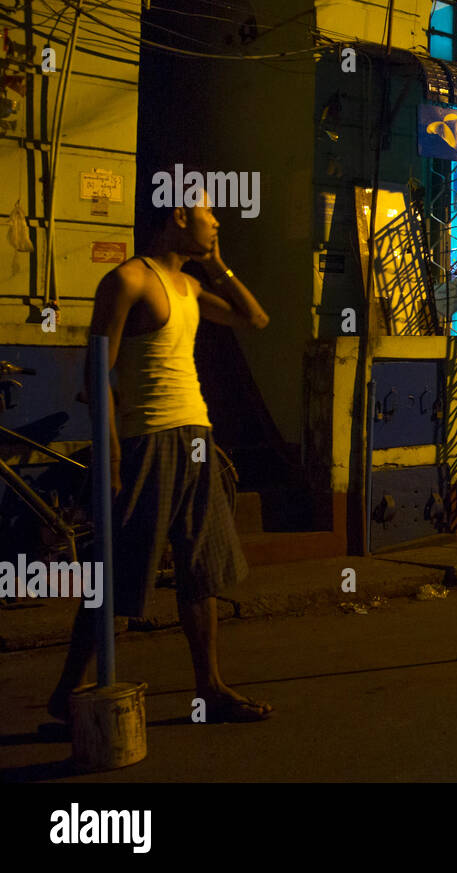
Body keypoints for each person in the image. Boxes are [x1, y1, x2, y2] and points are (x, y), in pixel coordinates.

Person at [48, 190, 274, 724]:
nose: (217, 221)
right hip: (147, 438)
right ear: (178, 215)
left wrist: (218, 265)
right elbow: (96, 370)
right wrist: (111, 453)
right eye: (208, 213)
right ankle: (68, 691)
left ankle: (210, 687)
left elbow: (255, 318)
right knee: (121, 571)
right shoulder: (129, 280)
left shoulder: (191, 284)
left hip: (196, 434)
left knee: (201, 570)